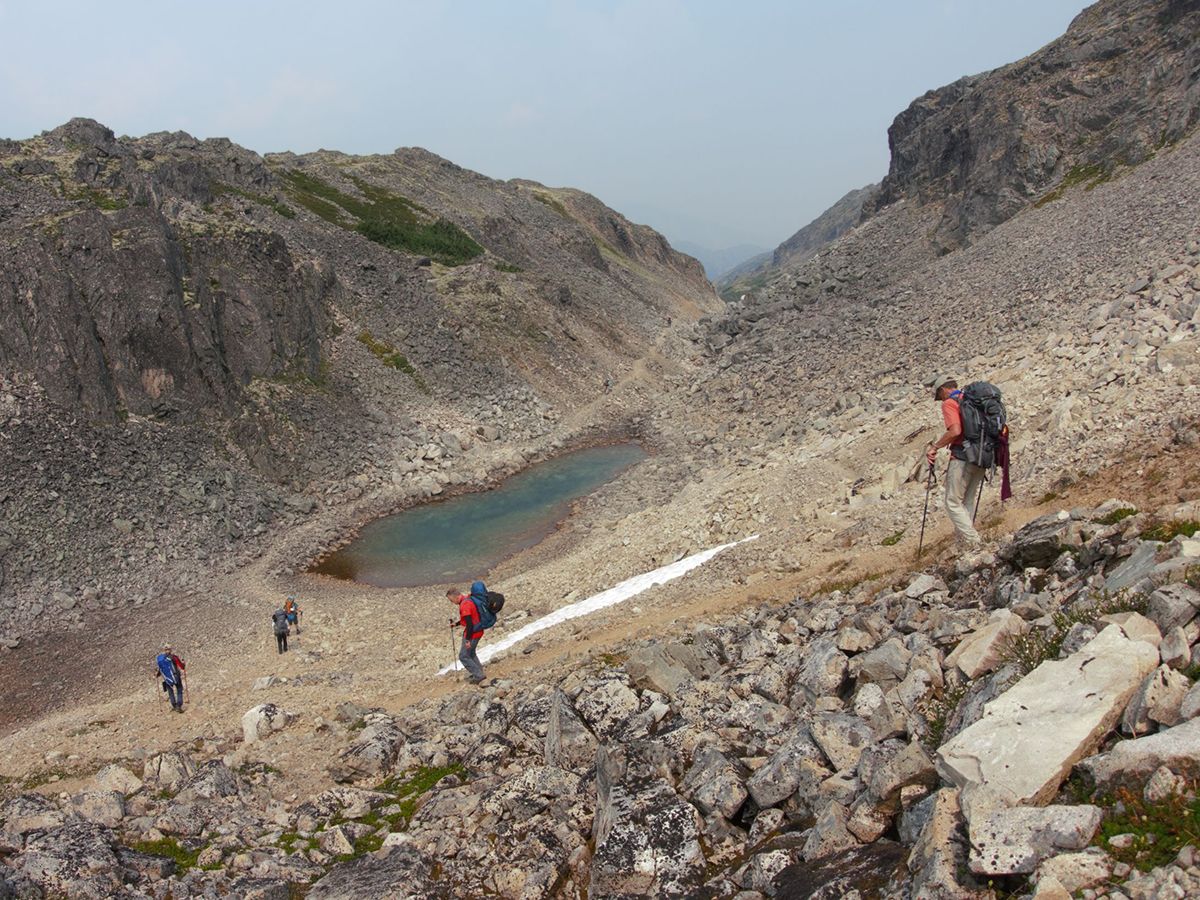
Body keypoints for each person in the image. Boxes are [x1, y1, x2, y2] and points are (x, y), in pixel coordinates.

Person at [926, 376, 986, 547]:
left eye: (940, 396)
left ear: (943, 389)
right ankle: (964, 543)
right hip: (983, 454)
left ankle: (973, 542)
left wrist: (935, 447)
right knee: (967, 500)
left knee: (952, 502)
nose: (941, 400)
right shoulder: (972, 400)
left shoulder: (950, 403)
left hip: (962, 456)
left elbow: (955, 430)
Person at [448, 585, 485, 684]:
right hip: (478, 630)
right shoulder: (467, 599)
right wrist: (456, 624)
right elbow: (468, 619)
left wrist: (468, 640)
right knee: (471, 653)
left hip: (473, 633)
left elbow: (469, 624)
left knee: (463, 656)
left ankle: (479, 676)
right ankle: (479, 672)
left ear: (456, 596)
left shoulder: (465, 605)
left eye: (451, 600)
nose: (452, 603)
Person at [154, 644, 186, 713]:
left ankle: (174, 706)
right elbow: (181, 666)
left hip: (167, 679)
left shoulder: (161, 659)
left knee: (171, 692)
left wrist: (157, 674)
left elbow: (160, 671)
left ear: (164, 650)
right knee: (179, 690)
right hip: (176, 677)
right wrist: (183, 664)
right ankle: (179, 706)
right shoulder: (174, 657)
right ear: (171, 649)